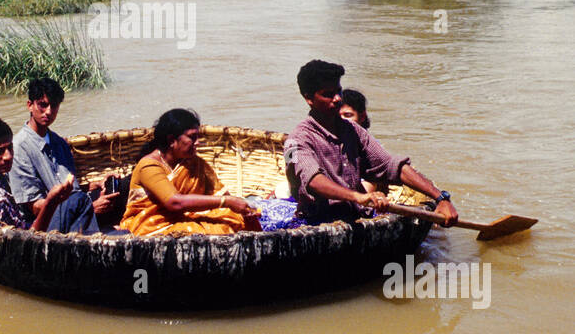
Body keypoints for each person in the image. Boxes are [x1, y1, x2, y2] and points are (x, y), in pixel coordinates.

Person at [286, 60, 459, 225]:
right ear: (309, 98)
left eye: (338, 91)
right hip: (318, 221)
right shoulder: (296, 140)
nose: (338, 99)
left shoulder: (354, 131)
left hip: (357, 216)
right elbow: (314, 181)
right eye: (328, 94)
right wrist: (358, 197)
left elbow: (390, 166)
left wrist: (440, 198)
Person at [120, 109, 261, 236]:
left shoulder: (193, 163)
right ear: (171, 140)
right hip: (152, 224)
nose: (198, 142)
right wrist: (226, 202)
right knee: (201, 232)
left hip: (189, 215)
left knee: (233, 219)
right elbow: (174, 202)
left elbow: (218, 192)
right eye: (192, 137)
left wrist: (239, 207)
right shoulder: (149, 165)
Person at [8, 76, 122, 234]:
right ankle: (99, 230)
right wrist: (90, 207)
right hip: (45, 222)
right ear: (30, 105)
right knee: (79, 201)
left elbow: (69, 188)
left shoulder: (59, 143)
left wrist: (97, 184)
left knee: (121, 186)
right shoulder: (19, 147)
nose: (48, 111)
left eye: (53, 106)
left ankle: (106, 227)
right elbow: (34, 207)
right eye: (43, 105)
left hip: (74, 207)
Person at [0, 117, 73, 228]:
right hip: (21, 243)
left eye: (10, 147)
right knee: (77, 201)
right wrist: (50, 203)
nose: (8, 156)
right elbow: (27, 242)